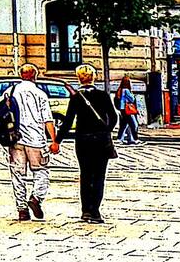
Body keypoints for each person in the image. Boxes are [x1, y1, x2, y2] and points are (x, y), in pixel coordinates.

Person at [55, 64, 118, 223]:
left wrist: (57, 140)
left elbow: (68, 121)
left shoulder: (76, 97)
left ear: (79, 78)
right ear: (93, 77)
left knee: (85, 174)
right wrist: (106, 130)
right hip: (100, 140)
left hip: (83, 140)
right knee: (99, 176)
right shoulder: (103, 95)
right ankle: (95, 211)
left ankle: (86, 211)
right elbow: (114, 116)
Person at [9, 64, 57, 220]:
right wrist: (54, 140)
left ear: (20, 75)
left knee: (17, 174)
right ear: (35, 76)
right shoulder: (40, 94)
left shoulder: (10, 92)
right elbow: (48, 119)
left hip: (15, 139)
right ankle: (36, 197)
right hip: (36, 139)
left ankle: (22, 209)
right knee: (41, 171)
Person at [115, 75, 140, 145]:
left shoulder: (120, 90)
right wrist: (132, 94)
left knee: (124, 124)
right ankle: (135, 139)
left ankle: (119, 139)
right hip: (128, 110)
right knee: (134, 124)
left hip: (122, 109)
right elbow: (132, 99)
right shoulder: (126, 90)